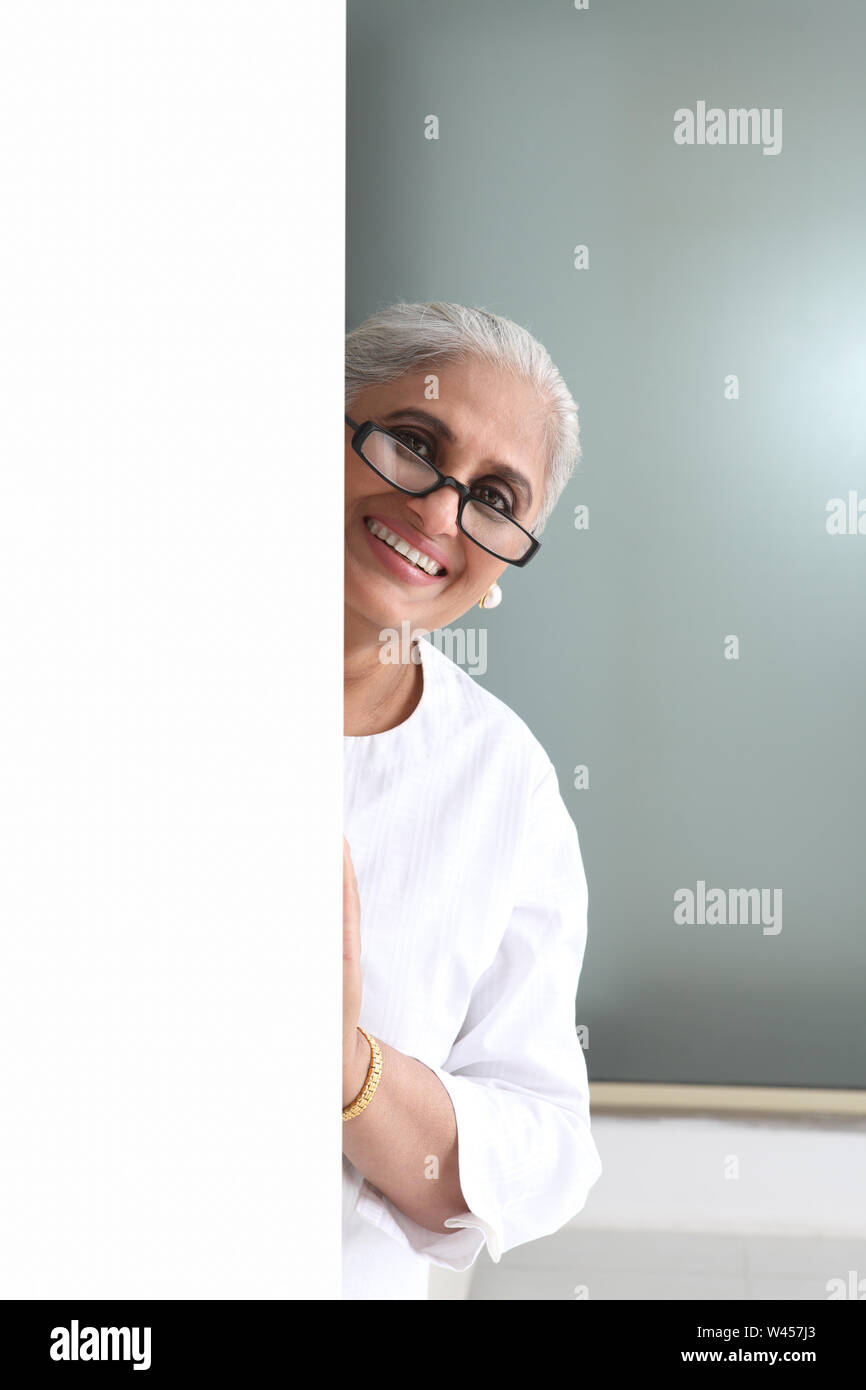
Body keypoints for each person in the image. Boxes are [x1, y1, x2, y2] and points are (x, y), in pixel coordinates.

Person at [342, 301, 602, 1300]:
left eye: (494, 498)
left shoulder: (504, 783)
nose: (440, 516)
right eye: (414, 442)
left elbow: (541, 1151)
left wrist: (346, 1067)